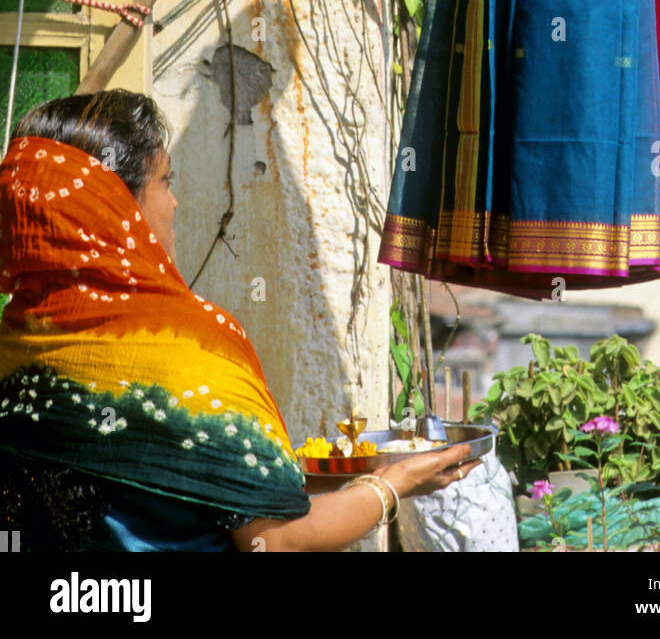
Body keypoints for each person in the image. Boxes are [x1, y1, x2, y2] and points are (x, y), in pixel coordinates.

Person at [0, 90, 477, 552]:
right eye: (165, 181)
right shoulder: (193, 352)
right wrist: (392, 484)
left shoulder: (12, 346)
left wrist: (297, 472)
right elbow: (277, 539)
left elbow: (169, 474)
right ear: (114, 208)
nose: (175, 204)